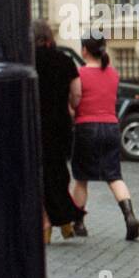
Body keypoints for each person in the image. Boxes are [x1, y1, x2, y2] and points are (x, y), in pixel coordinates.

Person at [70, 34, 139, 240]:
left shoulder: (79, 73)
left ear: (84, 50)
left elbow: (75, 99)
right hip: (111, 126)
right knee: (114, 176)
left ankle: (79, 223)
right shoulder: (113, 73)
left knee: (81, 179)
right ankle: (130, 216)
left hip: (86, 127)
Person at [32, 20, 86, 243]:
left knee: (39, 175)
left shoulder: (25, 61)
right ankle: (65, 222)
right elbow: (77, 94)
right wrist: (71, 109)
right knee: (59, 172)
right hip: (59, 125)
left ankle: (45, 224)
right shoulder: (64, 60)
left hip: (33, 125)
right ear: (48, 37)